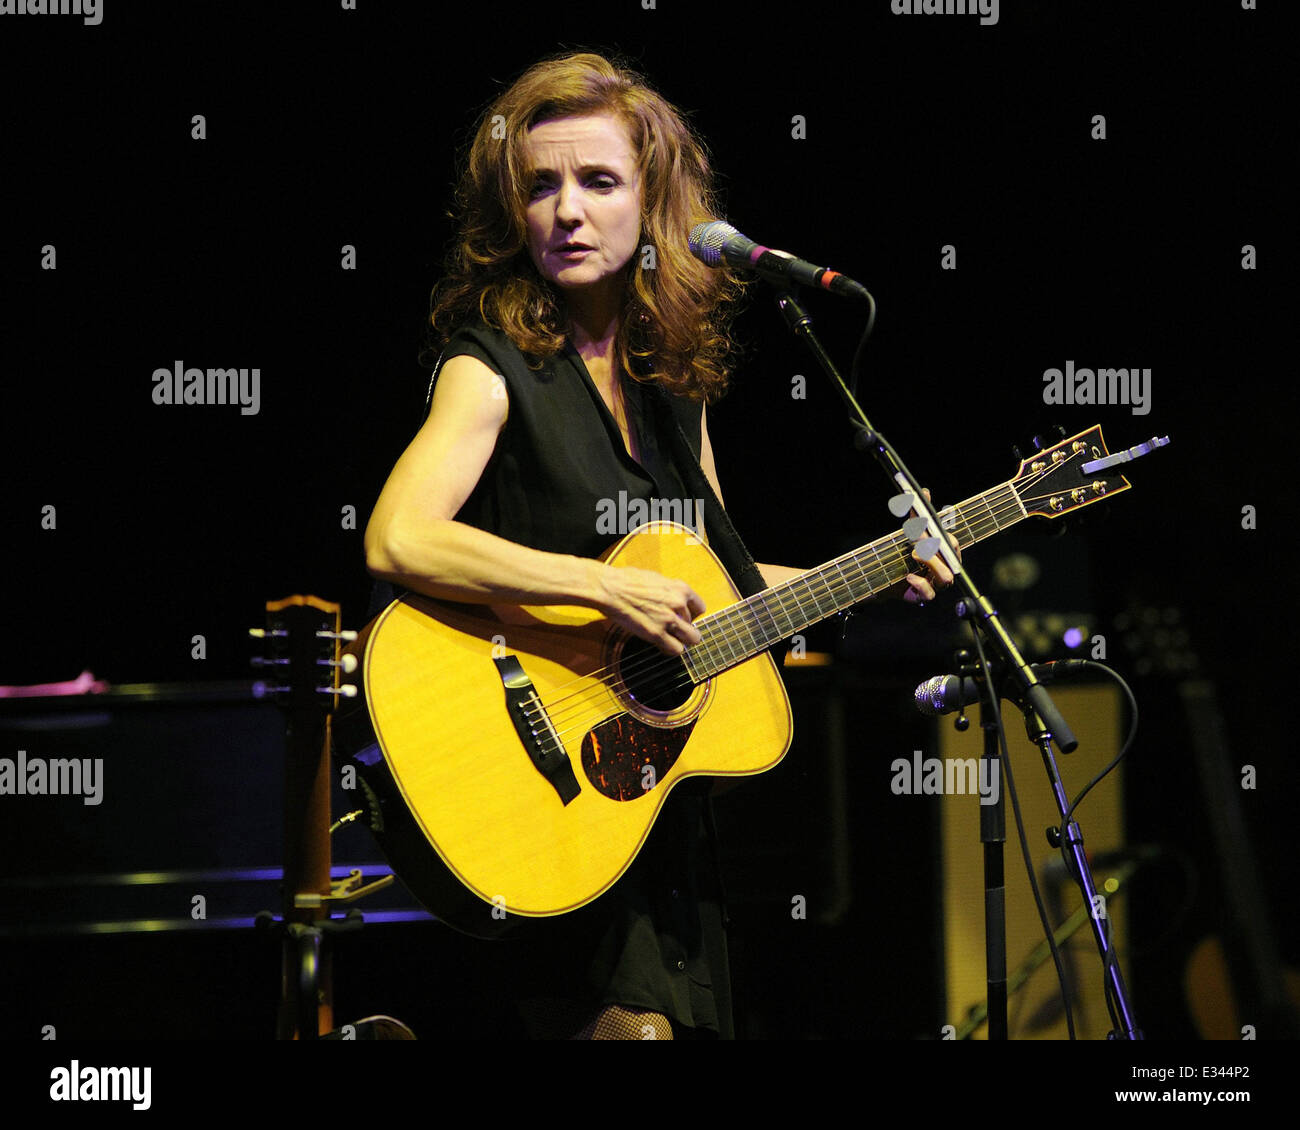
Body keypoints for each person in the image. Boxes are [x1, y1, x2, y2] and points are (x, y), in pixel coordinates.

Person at [363, 50, 954, 1039]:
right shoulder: (491, 364)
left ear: (657, 204)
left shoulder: (673, 389)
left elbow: (719, 588)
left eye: (597, 183)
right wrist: (600, 591)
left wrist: (881, 573)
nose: (566, 209)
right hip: (540, 772)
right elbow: (397, 536)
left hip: (646, 805)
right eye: (540, 186)